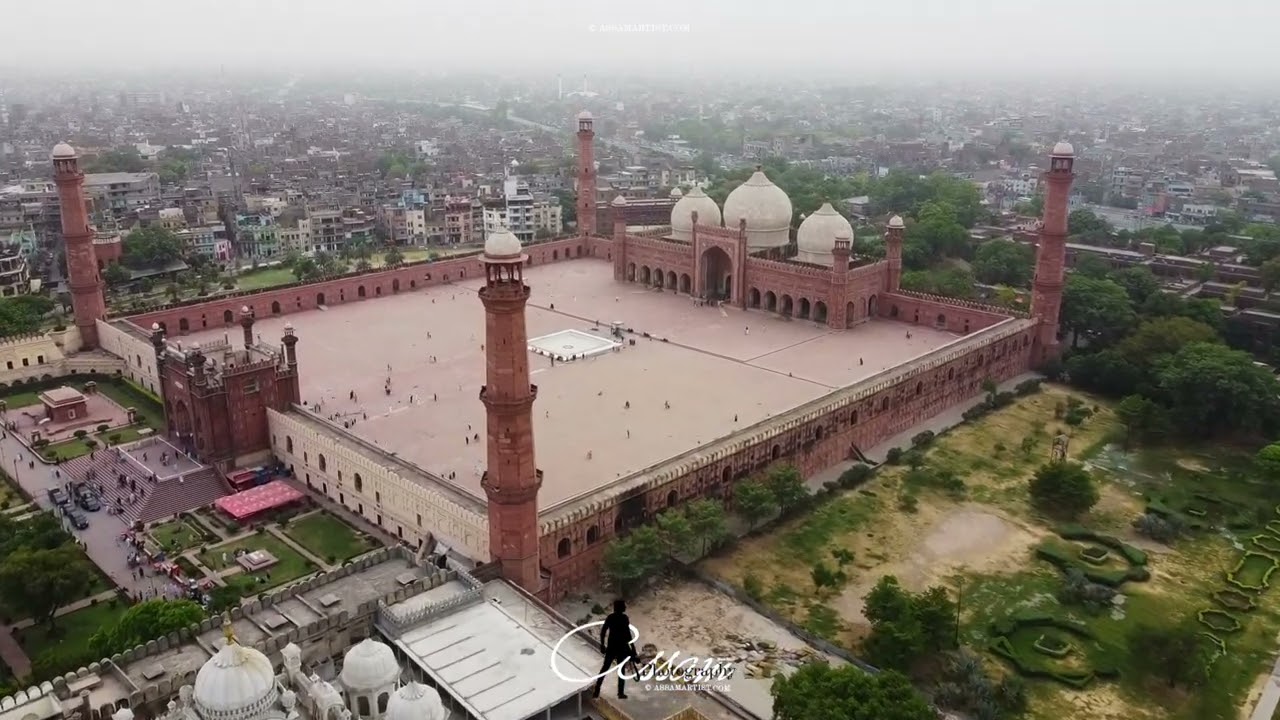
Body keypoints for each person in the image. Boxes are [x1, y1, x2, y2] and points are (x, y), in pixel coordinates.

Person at [594, 599, 639, 699]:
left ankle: (597, 690)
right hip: (620, 647)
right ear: (620, 607)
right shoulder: (624, 618)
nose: (625, 607)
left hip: (613, 647)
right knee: (620, 671)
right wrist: (633, 649)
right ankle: (620, 692)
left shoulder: (611, 617)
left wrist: (602, 644)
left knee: (605, 669)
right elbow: (628, 635)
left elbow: (603, 632)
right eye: (623, 606)